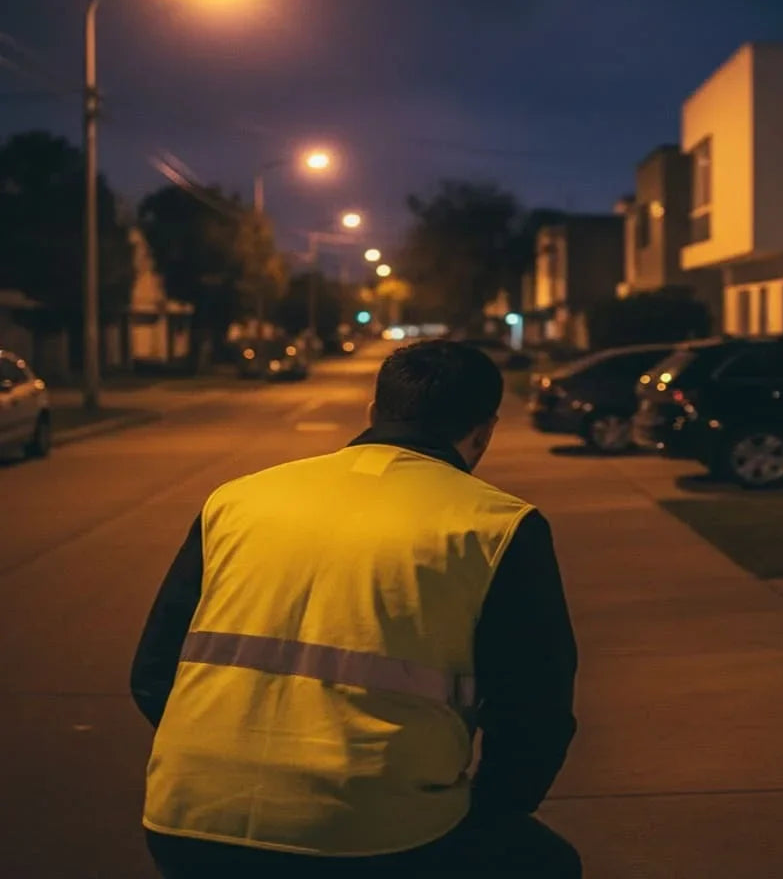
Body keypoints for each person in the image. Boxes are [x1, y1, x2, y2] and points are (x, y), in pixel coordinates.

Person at [130, 340, 581, 877]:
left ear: (373, 413)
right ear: (484, 431)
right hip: (373, 838)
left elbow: (153, 673)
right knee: (549, 865)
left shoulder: (234, 500)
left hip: (184, 821)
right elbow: (535, 713)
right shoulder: (497, 528)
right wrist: (489, 808)